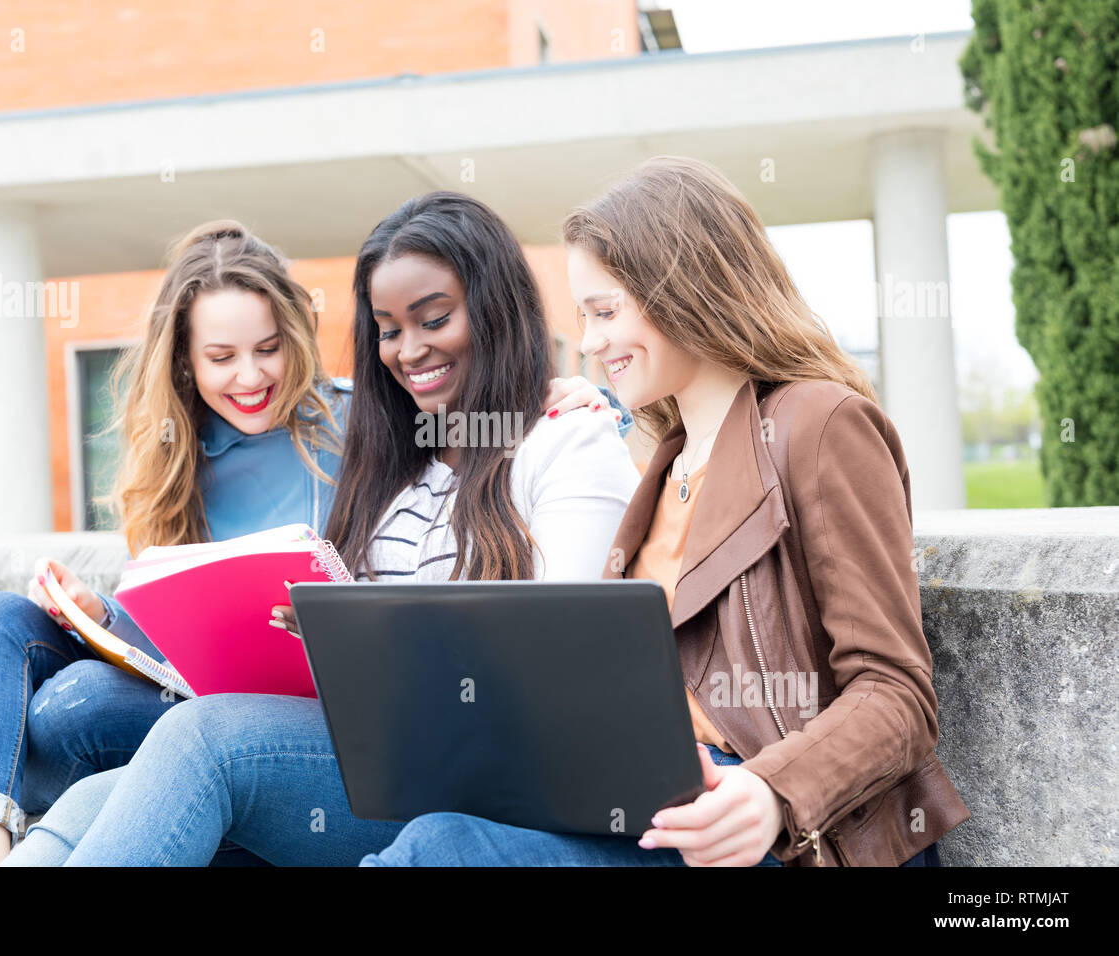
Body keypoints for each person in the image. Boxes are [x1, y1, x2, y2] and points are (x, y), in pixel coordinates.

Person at [0, 215, 631, 867]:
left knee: (121, 719)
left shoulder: (411, 432)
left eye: (433, 322)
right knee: (30, 669)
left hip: (401, 741)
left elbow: (546, 655)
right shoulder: (408, 457)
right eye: (390, 332)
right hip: (328, 715)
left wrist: (565, 392)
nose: (409, 354)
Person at [360, 156, 973, 866]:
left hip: (767, 828)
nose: (589, 342)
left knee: (442, 849)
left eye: (605, 312)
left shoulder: (821, 423)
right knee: (432, 827)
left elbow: (897, 694)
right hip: (646, 801)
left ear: (684, 292)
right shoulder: (665, 460)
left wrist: (772, 792)